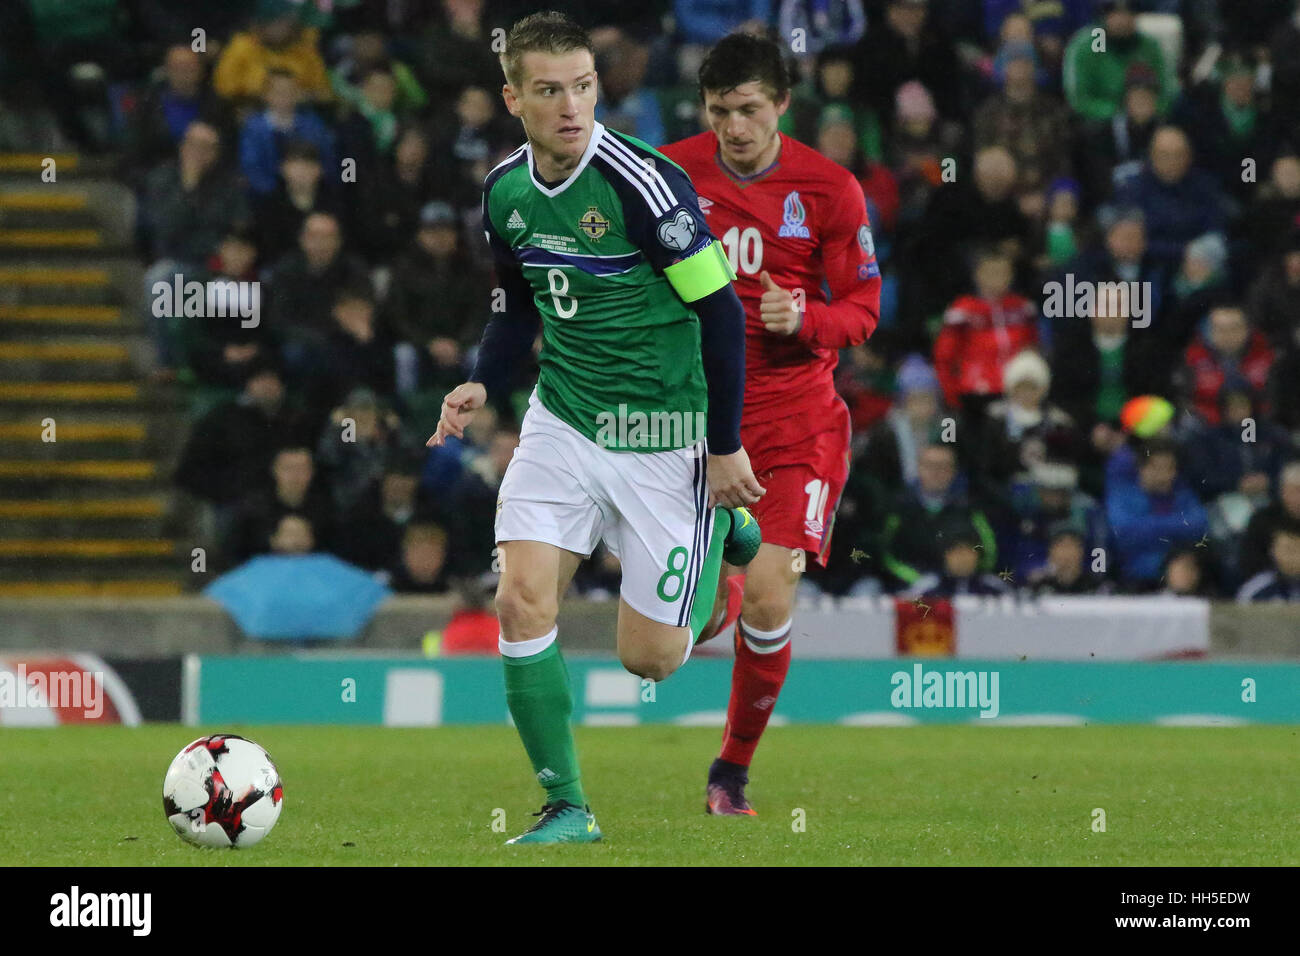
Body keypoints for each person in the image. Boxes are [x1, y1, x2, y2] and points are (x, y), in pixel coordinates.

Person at [426, 12, 763, 845]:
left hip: (665, 431)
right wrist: (482, 380)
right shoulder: (504, 189)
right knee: (519, 599)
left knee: (651, 661)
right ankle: (567, 807)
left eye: (583, 86)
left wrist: (723, 451)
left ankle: (726, 527)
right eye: (549, 91)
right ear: (514, 97)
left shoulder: (642, 186)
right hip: (567, 418)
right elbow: (514, 306)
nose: (572, 106)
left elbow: (721, 315)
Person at [660, 31, 880, 816]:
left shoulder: (829, 190)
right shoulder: (668, 173)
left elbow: (865, 308)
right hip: (694, 420)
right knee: (696, 621)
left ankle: (731, 772)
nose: (735, 128)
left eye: (750, 110)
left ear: (782, 104)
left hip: (796, 424)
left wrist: (810, 318)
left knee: (765, 597)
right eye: (720, 112)